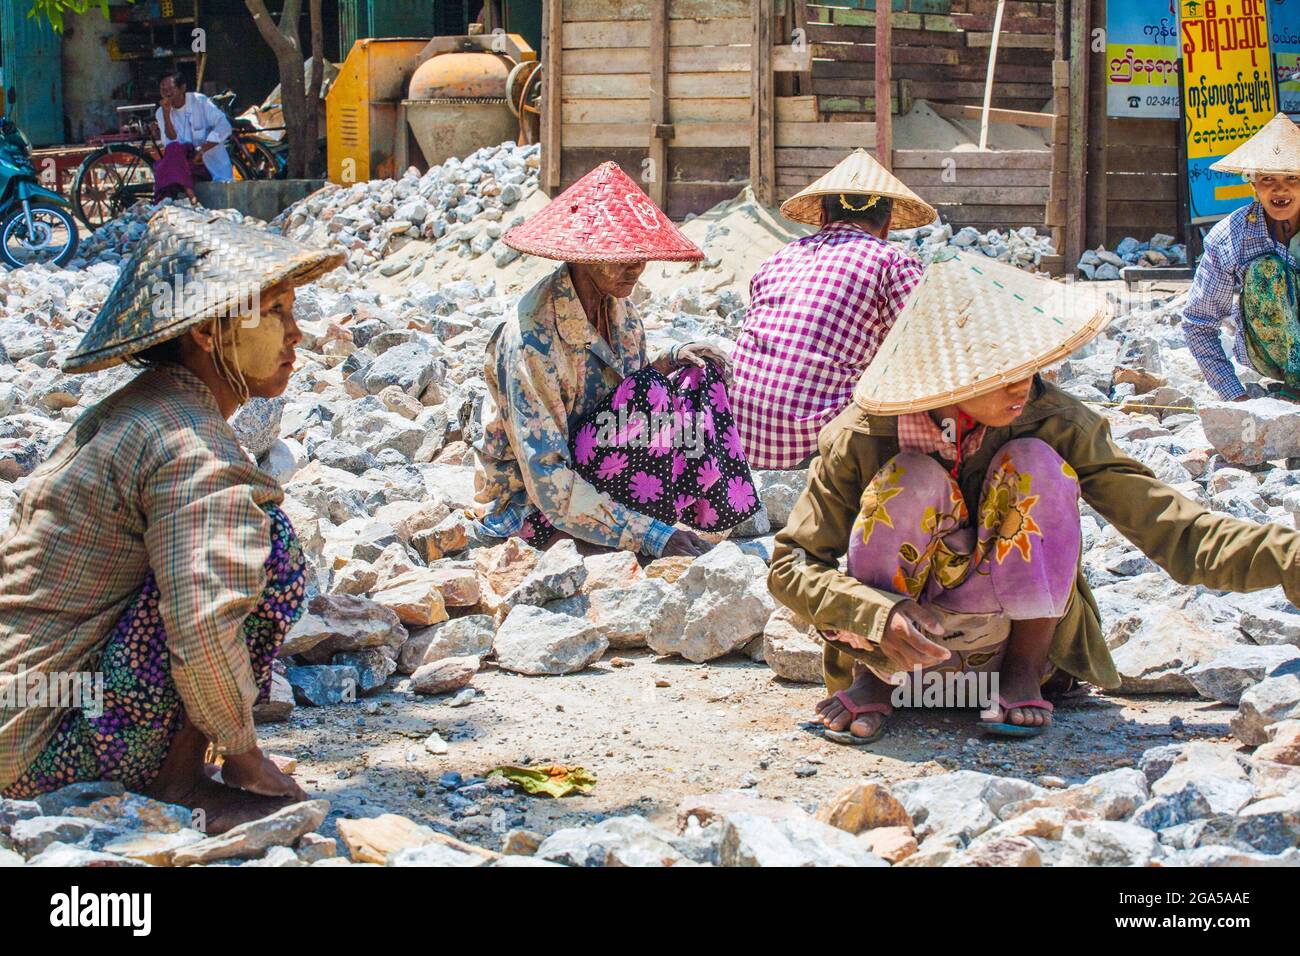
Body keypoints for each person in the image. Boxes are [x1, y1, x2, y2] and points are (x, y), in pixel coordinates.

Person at [769, 253, 1300, 744]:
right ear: (943, 376)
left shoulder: (1054, 420)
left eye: (1025, 366)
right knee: (910, 480)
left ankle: (1024, 668)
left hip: (1010, 645)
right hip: (899, 644)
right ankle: (879, 679)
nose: (1020, 386)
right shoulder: (862, 435)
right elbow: (791, 564)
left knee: (1035, 464)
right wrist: (876, 614)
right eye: (1000, 373)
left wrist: (1288, 557)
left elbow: (1171, 526)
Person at [0, 207, 343, 832]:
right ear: (208, 333)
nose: (297, 334)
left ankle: (176, 764)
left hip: (20, 704)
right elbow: (201, 618)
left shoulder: (142, 408)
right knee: (271, 553)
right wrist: (243, 754)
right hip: (33, 745)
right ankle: (177, 781)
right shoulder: (190, 444)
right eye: (275, 312)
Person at [474, 161, 732, 559]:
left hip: (596, 458)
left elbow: (628, 398)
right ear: (583, 256)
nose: (636, 267)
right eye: (621, 255)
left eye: (640, 254)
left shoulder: (622, 314)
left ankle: (681, 511)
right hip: (532, 497)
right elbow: (547, 478)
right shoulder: (531, 339)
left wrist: (670, 361)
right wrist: (649, 535)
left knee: (687, 385)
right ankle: (600, 531)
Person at [729, 148, 936, 471]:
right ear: (887, 225)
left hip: (736, 441)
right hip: (813, 447)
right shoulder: (892, 262)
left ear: (823, 217)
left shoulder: (778, 258)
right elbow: (925, 350)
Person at [1183, 112, 1300, 401]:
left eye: (1293, 178)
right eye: (1268, 178)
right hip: (1273, 353)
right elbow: (1199, 322)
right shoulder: (1230, 237)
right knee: (1266, 272)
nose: (1280, 188)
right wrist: (1234, 395)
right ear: (1253, 185)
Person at [154, 69, 234, 203]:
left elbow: (224, 126)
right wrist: (166, 115)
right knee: (173, 150)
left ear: (182, 88)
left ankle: (185, 195)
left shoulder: (200, 102)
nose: (167, 93)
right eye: (163, 90)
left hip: (208, 163)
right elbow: (170, 142)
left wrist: (203, 150)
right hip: (185, 166)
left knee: (170, 162)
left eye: (171, 89)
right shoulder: (161, 112)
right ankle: (189, 194)